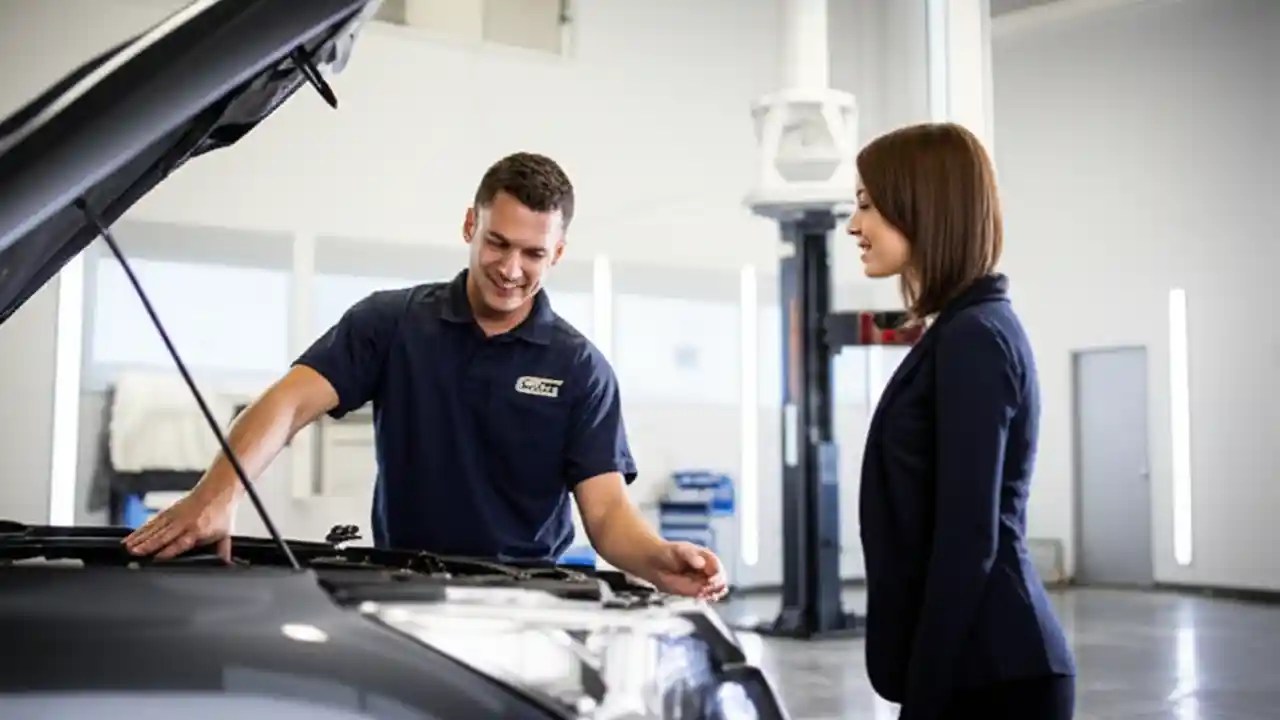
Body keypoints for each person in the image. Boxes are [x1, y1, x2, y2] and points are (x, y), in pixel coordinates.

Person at [122, 151, 727, 601]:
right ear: (469, 226)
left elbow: (607, 513)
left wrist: (657, 559)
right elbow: (286, 405)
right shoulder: (392, 323)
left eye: (533, 253)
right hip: (400, 592)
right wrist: (215, 497)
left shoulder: (580, 370)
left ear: (558, 254)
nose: (511, 268)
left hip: (525, 603)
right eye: (497, 242)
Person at [849, 123, 1076, 719]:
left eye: (867, 204)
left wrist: (925, 699)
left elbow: (968, 536)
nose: (853, 225)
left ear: (922, 206)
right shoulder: (965, 329)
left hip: (995, 671)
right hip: (977, 664)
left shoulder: (974, 337)